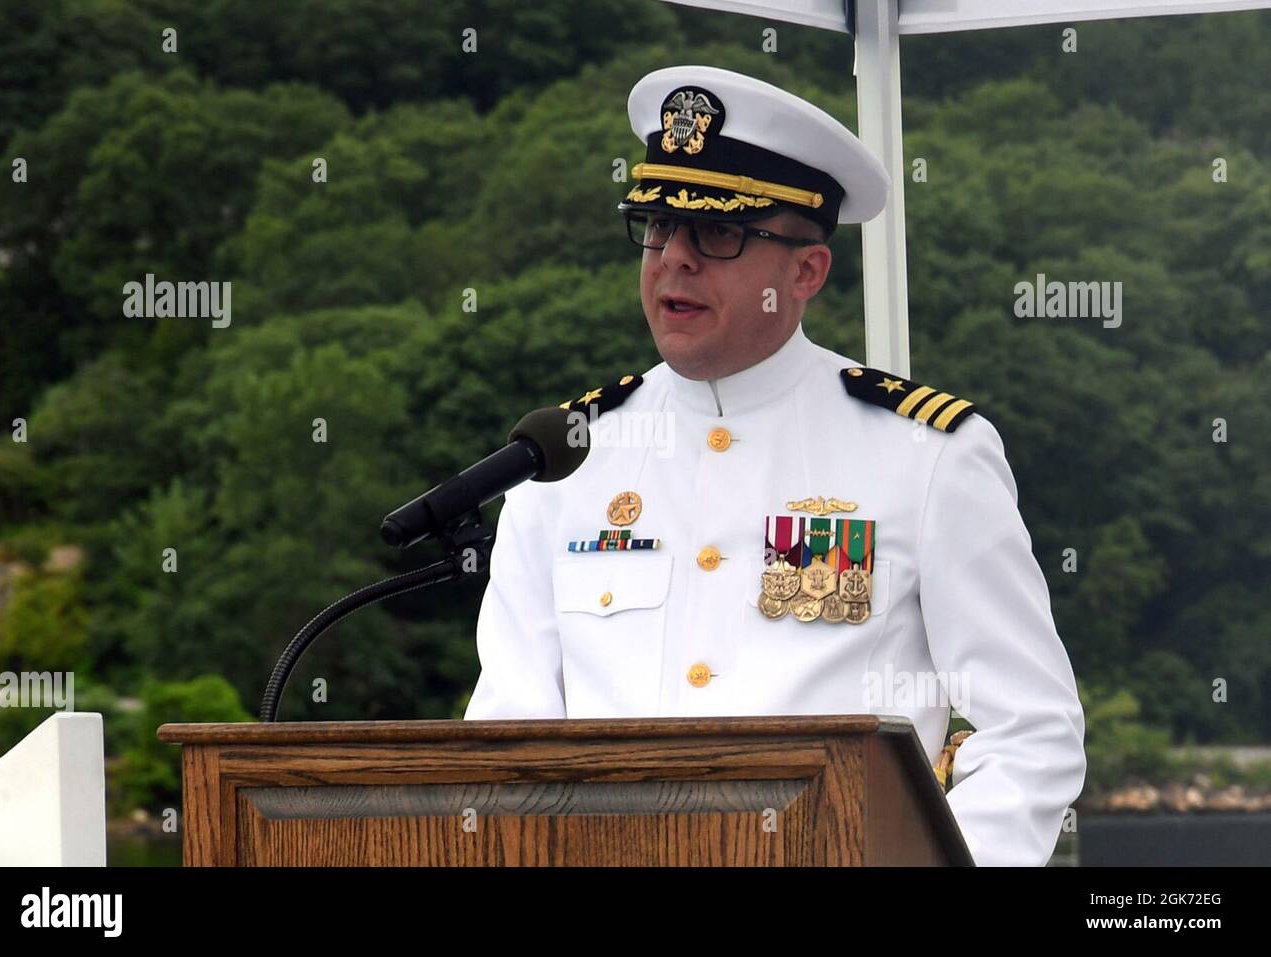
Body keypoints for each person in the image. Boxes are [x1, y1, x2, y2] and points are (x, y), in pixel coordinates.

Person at [463, 64, 1086, 867]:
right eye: (656, 226)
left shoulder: (927, 455)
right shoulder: (566, 457)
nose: (673, 260)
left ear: (806, 272)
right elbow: (509, 734)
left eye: (717, 233)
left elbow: (1032, 727)